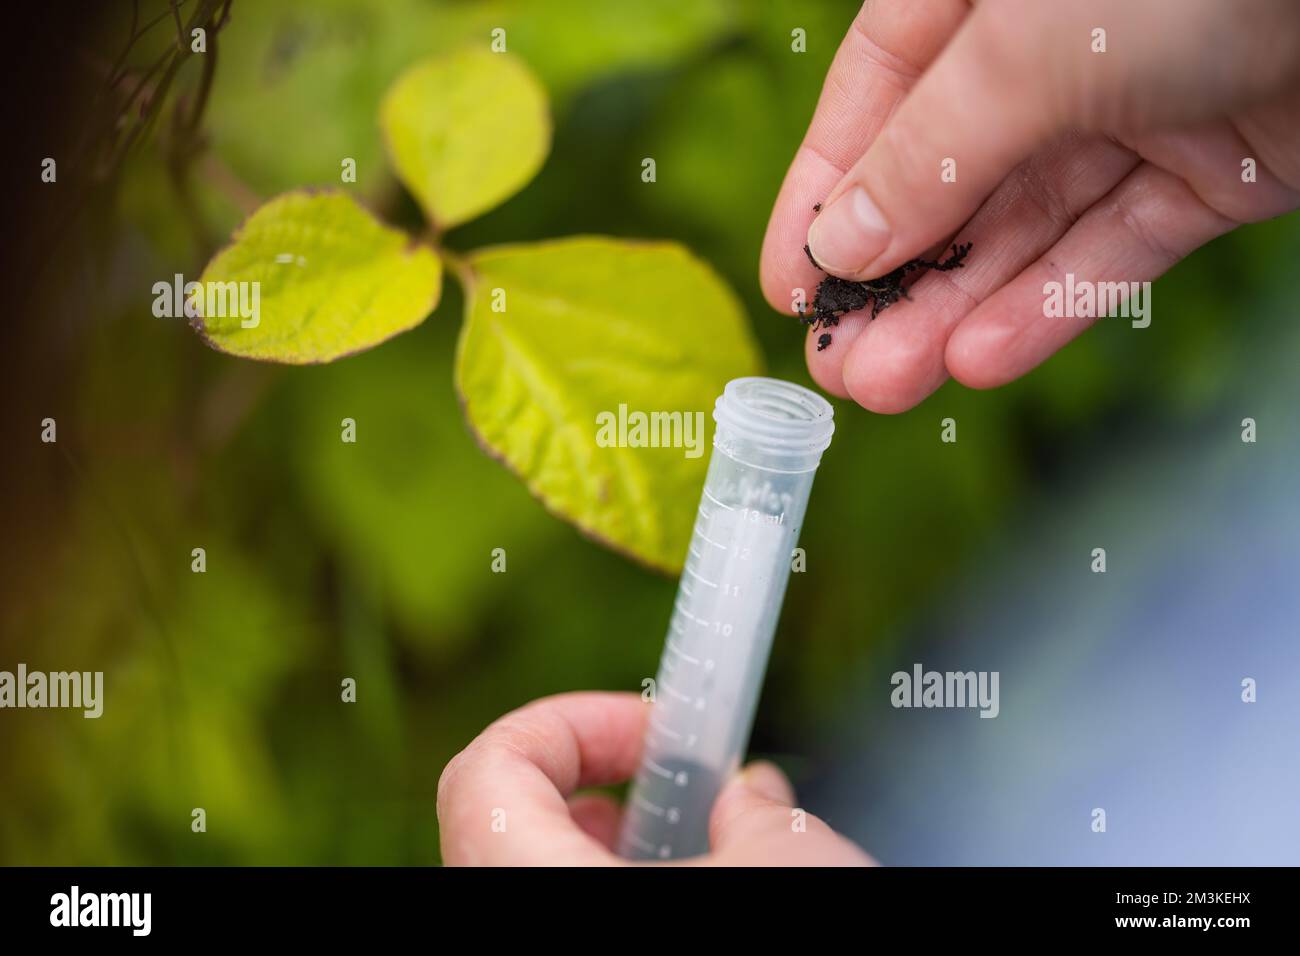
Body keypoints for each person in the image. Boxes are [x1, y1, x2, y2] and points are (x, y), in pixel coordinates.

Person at [438, 0, 1300, 865]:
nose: (823, 314)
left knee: (913, 292)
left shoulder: (865, 281)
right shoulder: (846, 299)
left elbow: (878, 272)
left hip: (897, 259)